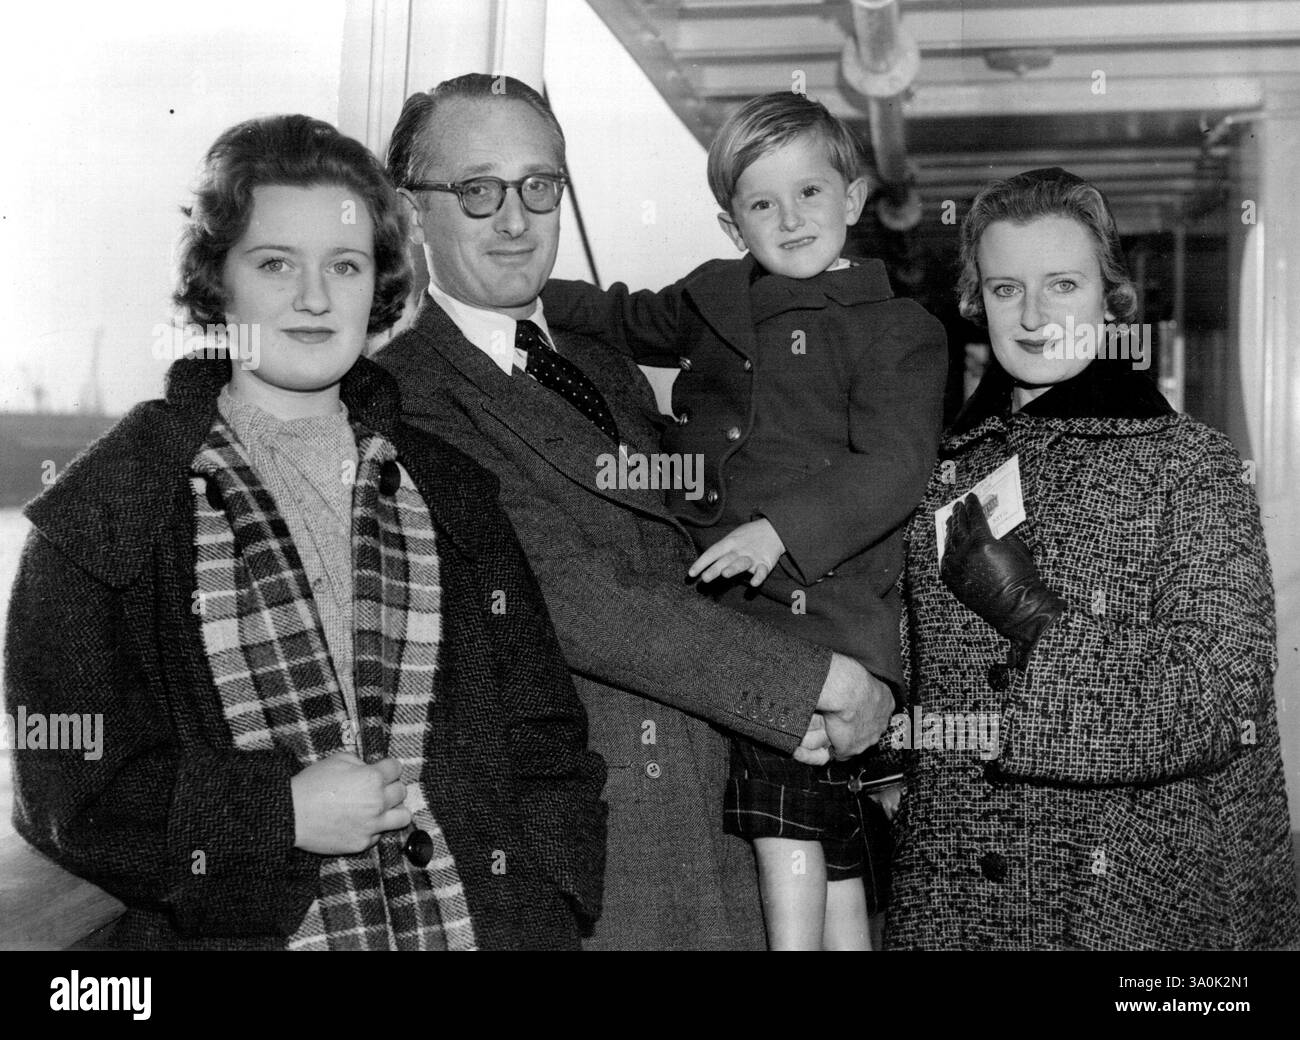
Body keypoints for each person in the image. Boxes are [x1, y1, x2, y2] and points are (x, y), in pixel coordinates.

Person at [4, 114, 606, 950]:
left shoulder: (455, 490)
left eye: (346, 265)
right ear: (218, 281)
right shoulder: (108, 508)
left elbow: (545, 736)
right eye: (276, 263)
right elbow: (68, 791)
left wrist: (552, 903)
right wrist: (276, 812)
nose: (315, 298)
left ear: (381, 283)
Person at [374, 74, 896, 951]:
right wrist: (824, 684)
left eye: (540, 187)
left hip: (736, 809)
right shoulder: (406, 393)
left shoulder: (601, 364)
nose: (515, 219)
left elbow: (709, 521)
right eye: (478, 190)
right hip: (613, 852)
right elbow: (575, 598)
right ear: (408, 211)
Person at [540, 91, 947, 949]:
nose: (790, 219)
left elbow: (897, 468)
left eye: (810, 194)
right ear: (733, 226)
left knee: (785, 813)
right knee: (822, 821)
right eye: (763, 204)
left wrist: (781, 532)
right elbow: (616, 314)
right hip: (722, 600)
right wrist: (532, 292)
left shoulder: (895, 328)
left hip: (827, 602)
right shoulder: (710, 298)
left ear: (854, 200)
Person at [886, 166, 1300, 950]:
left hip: (1119, 904)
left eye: (1062, 284)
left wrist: (1035, 617)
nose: (1035, 315)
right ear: (978, 303)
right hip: (953, 902)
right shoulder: (944, 473)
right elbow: (928, 690)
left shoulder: (1189, 464)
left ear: (1112, 299)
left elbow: (1224, 698)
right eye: (1007, 289)